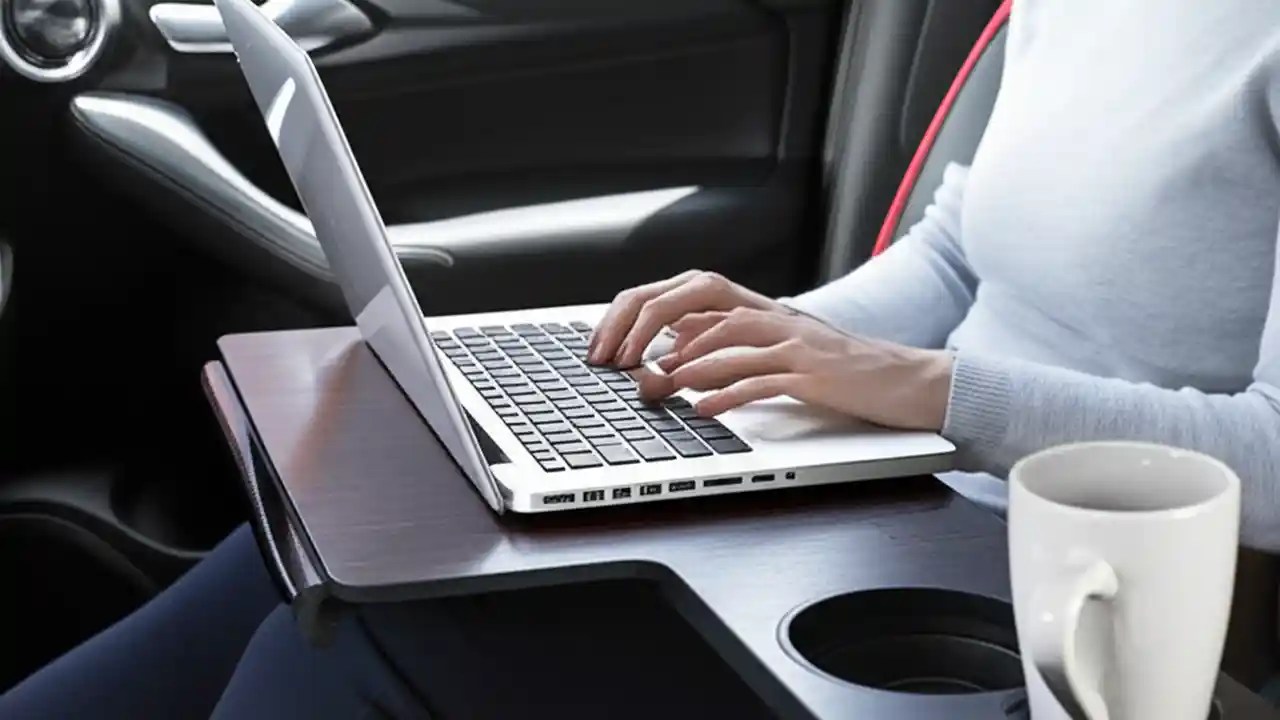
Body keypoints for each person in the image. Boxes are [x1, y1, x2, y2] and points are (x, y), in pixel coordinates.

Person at [3, 1, 1278, 717]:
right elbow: (955, 254)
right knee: (320, 537)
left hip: (1057, 594)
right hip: (896, 492)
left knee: (357, 650)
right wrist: (763, 343)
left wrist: (928, 392)